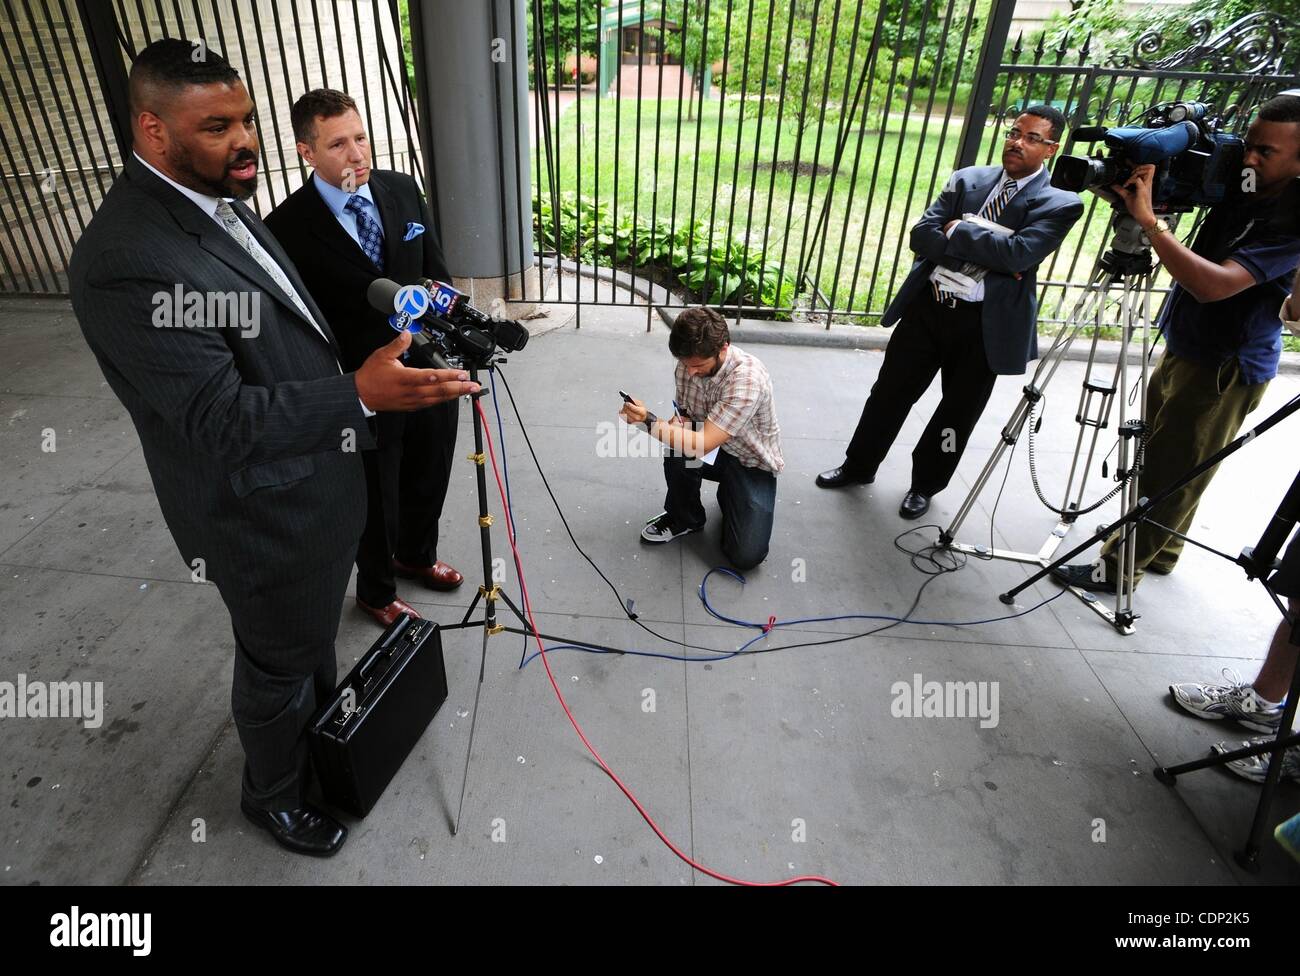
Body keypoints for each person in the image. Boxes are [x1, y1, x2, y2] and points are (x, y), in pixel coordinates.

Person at [68, 40, 477, 856]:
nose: (244, 140)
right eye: (217, 125)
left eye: (247, 119)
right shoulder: (128, 261)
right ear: (151, 129)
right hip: (260, 515)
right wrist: (359, 394)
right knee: (278, 666)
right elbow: (216, 416)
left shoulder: (220, 195)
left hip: (317, 477)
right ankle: (274, 795)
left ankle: (320, 738)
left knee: (307, 650)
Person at [1054, 94, 1300, 593]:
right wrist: (1129, 192)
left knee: (1169, 472)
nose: (1249, 158)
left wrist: (1151, 223)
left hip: (1224, 364)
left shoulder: (1293, 220)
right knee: (1168, 457)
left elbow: (1214, 284)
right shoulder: (1250, 184)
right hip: (1189, 341)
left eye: (1265, 152)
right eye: (1250, 145)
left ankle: (1118, 569)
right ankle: (1160, 549)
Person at [816, 105, 1083, 520]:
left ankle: (925, 484)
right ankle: (858, 466)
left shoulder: (1059, 203)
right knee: (888, 395)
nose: (1016, 142)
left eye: (1031, 138)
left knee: (955, 415)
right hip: (929, 308)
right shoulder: (967, 180)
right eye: (1014, 132)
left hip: (983, 327)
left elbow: (1018, 255)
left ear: (1052, 148)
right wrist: (988, 244)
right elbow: (921, 236)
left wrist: (958, 229)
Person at [266, 89, 463, 630]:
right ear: (307, 152)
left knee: (432, 468)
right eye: (337, 144)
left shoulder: (402, 190)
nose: (357, 154)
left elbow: (435, 270)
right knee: (376, 491)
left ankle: (417, 556)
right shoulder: (284, 227)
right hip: (362, 385)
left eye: (360, 137)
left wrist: (447, 329)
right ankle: (376, 592)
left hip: (428, 365)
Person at [619, 307, 783, 570]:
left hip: (748, 462)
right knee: (678, 446)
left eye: (698, 366)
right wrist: (668, 423)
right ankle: (685, 517)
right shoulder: (688, 364)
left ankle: (734, 492)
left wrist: (648, 421)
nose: (690, 372)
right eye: (686, 364)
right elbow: (684, 419)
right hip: (712, 450)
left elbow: (702, 443)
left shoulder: (747, 379)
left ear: (723, 348)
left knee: (745, 556)